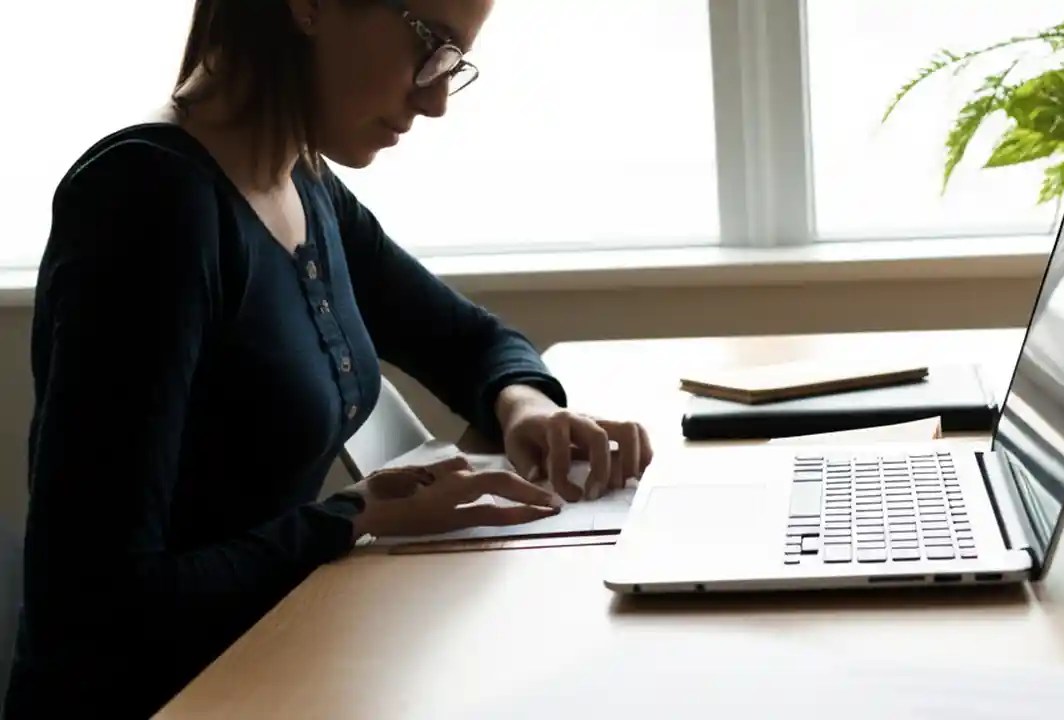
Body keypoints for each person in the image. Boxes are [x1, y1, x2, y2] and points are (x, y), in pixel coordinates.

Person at [3, 0, 653, 716]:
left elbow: (468, 340)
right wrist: (356, 514)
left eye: (453, 65)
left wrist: (527, 404)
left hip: (266, 669)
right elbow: (98, 607)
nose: (435, 99)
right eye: (430, 46)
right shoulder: (148, 205)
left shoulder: (301, 181)